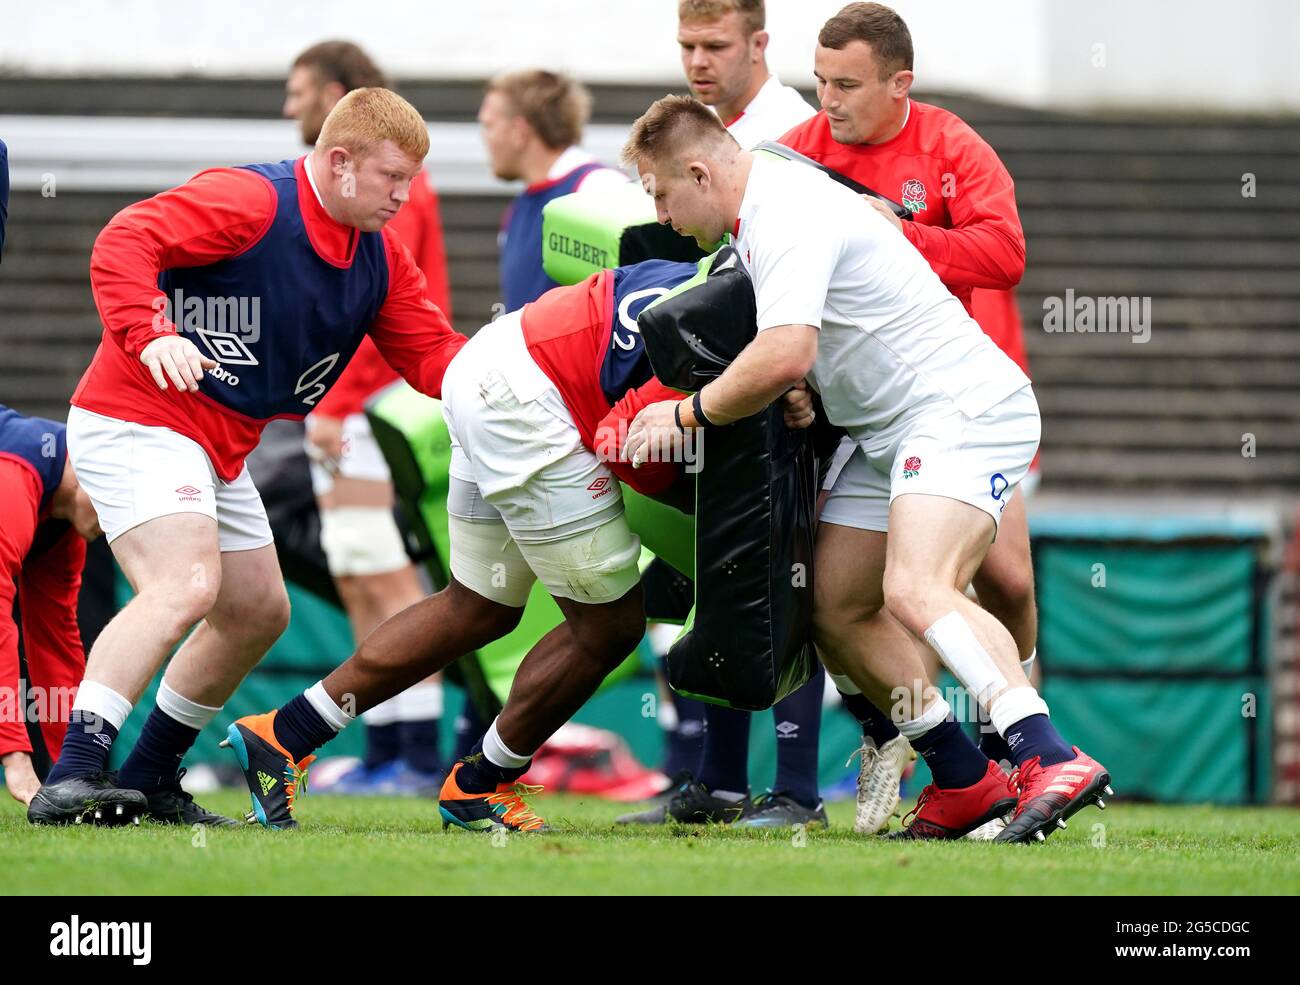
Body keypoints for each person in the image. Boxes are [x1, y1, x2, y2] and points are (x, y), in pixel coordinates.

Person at [621, 95, 1111, 842]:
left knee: (916, 586)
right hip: (888, 429)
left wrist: (687, 413)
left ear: (697, 169)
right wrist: (800, 391)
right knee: (832, 603)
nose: (663, 214)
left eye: (661, 193)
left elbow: (788, 349)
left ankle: (1045, 752)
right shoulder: (764, 208)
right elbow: (807, 353)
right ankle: (962, 778)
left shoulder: (781, 208)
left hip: (958, 408)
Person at [220, 252, 811, 831]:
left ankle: (284, 734)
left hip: (494, 366)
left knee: (477, 606)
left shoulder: (734, 273)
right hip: (529, 404)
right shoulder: (747, 317)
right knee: (608, 627)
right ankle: (482, 784)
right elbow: (626, 439)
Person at [26, 87, 465, 827]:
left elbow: (435, 358)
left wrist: (529, 367)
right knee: (187, 584)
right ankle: (71, 775)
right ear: (339, 162)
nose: (404, 194)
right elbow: (124, 241)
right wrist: (151, 330)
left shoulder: (379, 259)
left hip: (218, 443)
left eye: (411, 179)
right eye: (392, 176)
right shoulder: (252, 200)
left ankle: (152, 775)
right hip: (138, 415)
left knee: (258, 610)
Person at [779, 2, 1040, 835]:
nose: (828, 100)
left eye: (847, 84)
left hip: (954, 399)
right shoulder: (796, 155)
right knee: (864, 594)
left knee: (1005, 582)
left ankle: (1015, 738)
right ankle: (900, 735)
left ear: (902, 84)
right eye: (819, 81)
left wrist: (905, 238)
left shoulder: (949, 145)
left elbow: (1005, 253)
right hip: (856, 414)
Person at [623, 0, 826, 830]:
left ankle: (800, 787)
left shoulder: (793, 132)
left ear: (759, 43)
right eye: (686, 44)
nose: (697, 59)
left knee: (788, 578)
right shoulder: (690, 134)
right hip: (728, 384)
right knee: (726, 574)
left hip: (786, 389)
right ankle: (719, 782)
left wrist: (797, 380)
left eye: (715, 44)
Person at [286, 40, 453, 794]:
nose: (292, 109)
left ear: (339, 96)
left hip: (371, 417)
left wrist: (336, 404)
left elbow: (376, 310)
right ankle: (385, 746)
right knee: (359, 577)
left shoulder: (392, 188)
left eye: (300, 92)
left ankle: (418, 754)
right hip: (348, 418)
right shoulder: (342, 191)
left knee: (388, 581)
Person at [0, 406, 101, 807]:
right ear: (95, 468)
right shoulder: (13, 474)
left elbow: (55, 648)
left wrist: (74, 771)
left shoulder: (62, 517)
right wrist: (16, 757)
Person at [480, 69, 631, 312]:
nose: (484, 138)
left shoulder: (599, 189)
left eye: (489, 125)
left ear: (519, 132)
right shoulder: (519, 207)